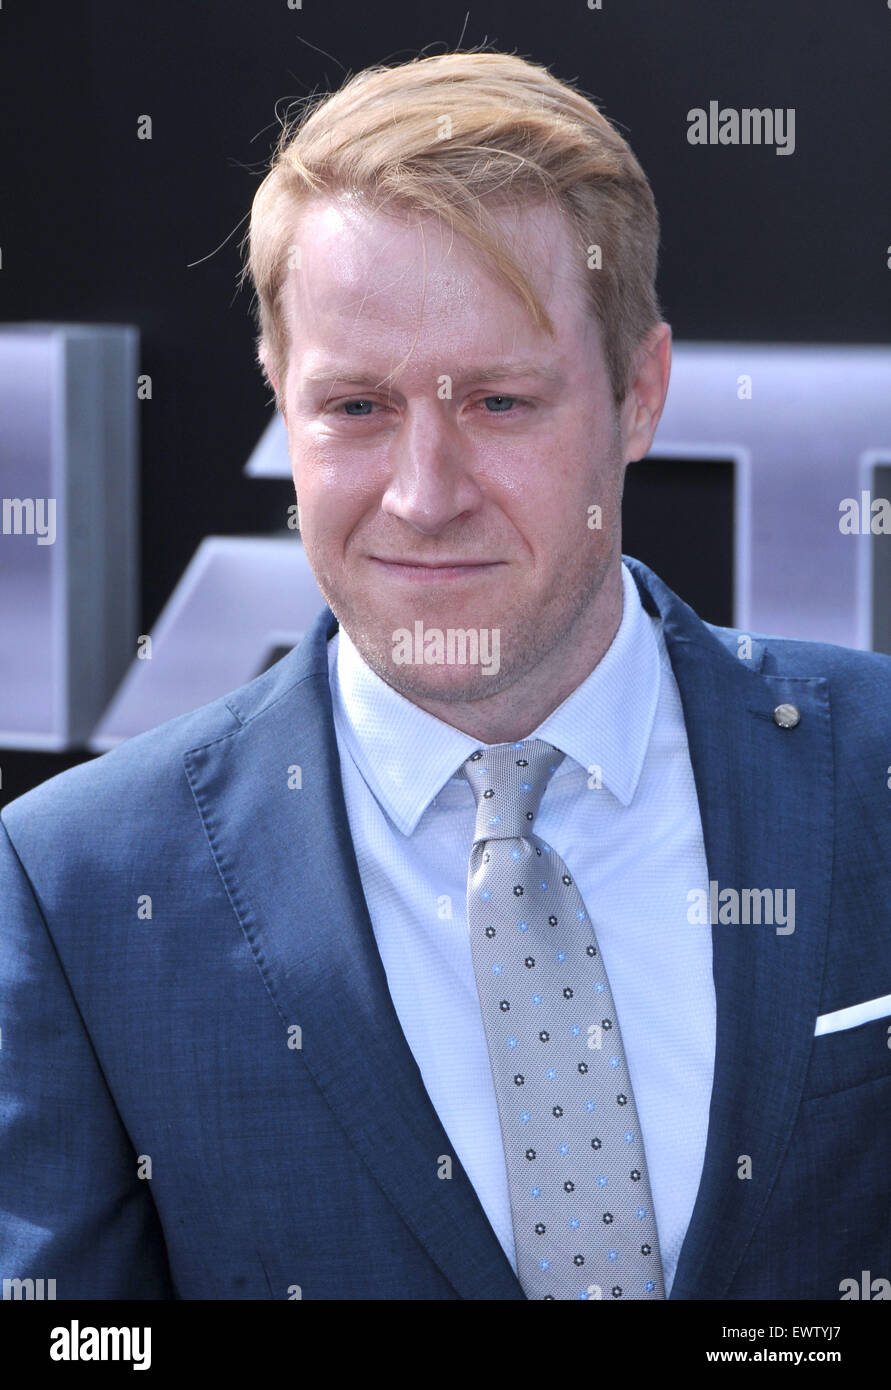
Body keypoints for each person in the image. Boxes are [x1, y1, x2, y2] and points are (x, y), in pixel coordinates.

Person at [1, 50, 889, 1302]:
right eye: (356, 407)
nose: (424, 495)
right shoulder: (80, 889)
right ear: (280, 406)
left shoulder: (874, 767)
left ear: (640, 397)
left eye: (499, 402)